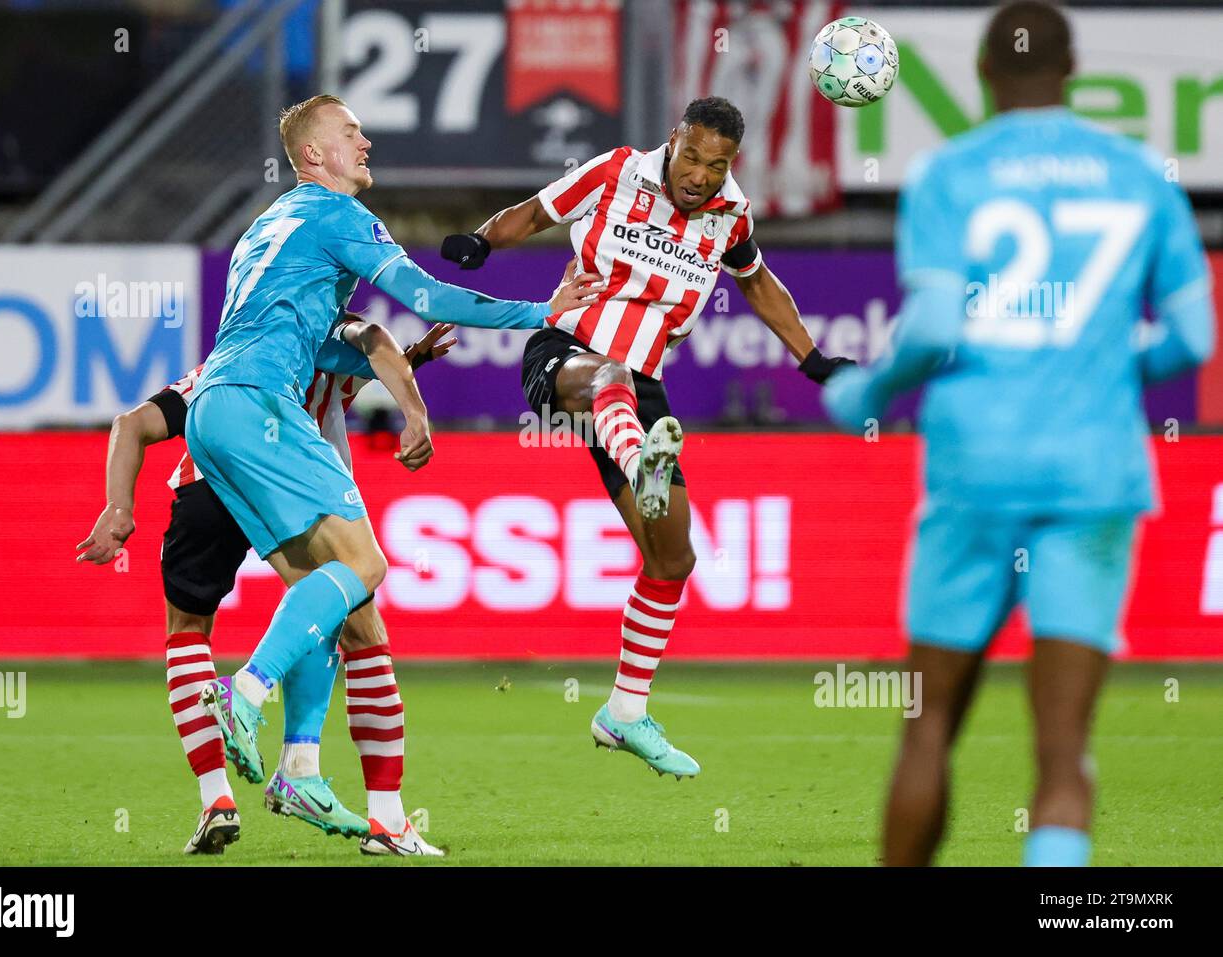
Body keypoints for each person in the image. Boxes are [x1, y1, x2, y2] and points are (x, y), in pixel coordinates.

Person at [822, 1, 1216, 866]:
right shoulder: (1142, 175)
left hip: (976, 469)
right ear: (1074, 73)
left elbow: (928, 331)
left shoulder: (948, 174)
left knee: (928, 733)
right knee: (1063, 747)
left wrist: (866, 392)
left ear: (985, 75)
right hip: (1094, 472)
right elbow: (1194, 339)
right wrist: (1108, 366)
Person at [185, 93, 600, 856]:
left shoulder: (265, 228)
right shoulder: (337, 215)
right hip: (264, 407)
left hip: (212, 410)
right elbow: (429, 295)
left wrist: (395, 366)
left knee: (329, 599)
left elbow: (313, 340)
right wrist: (545, 311)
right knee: (365, 564)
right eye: (351, 133)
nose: (366, 141)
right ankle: (241, 692)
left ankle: (300, 769)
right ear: (315, 156)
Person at [440, 96, 853, 778]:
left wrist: (810, 357)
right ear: (673, 140)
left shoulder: (730, 216)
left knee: (673, 558)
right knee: (610, 380)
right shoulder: (615, 171)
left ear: (731, 165)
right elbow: (538, 211)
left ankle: (624, 712)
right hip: (569, 352)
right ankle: (643, 460)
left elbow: (758, 283)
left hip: (643, 384)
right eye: (691, 156)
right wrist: (483, 241)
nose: (699, 175)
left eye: (715, 166)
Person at [77, 318, 455, 854]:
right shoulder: (326, 342)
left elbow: (131, 423)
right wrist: (411, 373)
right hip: (294, 491)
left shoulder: (232, 361)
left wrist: (118, 507)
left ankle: (218, 800)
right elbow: (366, 354)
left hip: (205, 489)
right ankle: (369, 810)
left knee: (187, 629)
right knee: (357, 621)